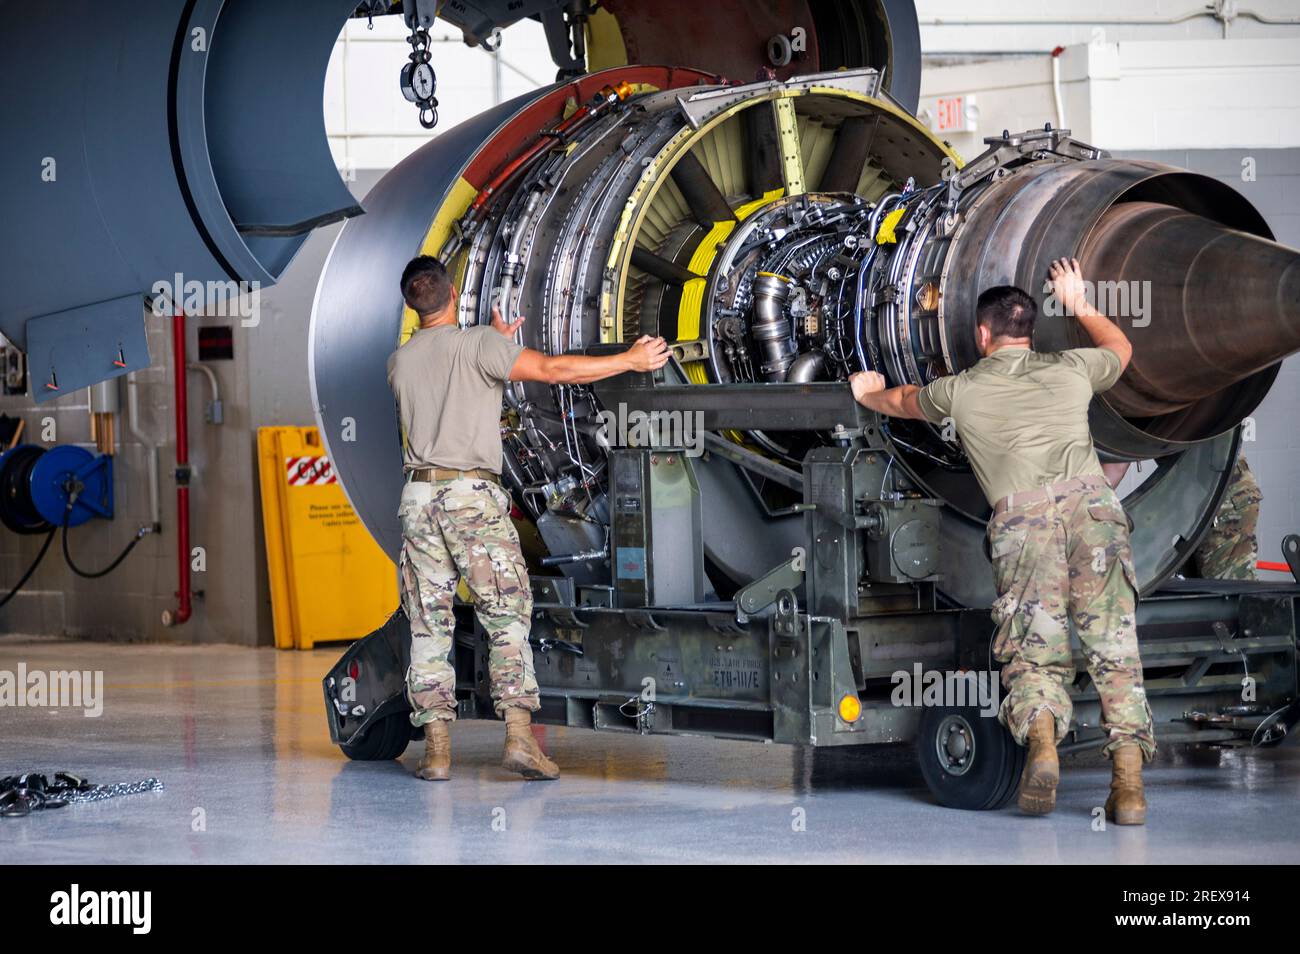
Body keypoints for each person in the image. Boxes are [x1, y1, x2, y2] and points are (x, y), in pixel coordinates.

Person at [849, 259, 1154, 823]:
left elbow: (904, 401)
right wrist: (1078, 299)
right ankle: (1129, 789)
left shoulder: (961, 390)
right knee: (1114, 649)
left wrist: (869, 394)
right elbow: (1121, 350)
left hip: (1025, 520)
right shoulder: (1070, 369)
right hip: (1094, 512)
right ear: (1030, 333)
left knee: (1033, 648)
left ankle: (1042, 749)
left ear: (982, 335)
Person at [388, 255, 670, 781]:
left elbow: (452, 373)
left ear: (412, 304)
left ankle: (437, 752)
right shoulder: (479, 345)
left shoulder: (400, 360)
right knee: (506, 616)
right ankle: (518, 739)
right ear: (453, 297)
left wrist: (492, 342)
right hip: (470, 498)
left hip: (418, 500)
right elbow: (553, 370)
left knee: (429, 625)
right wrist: (631, 360)